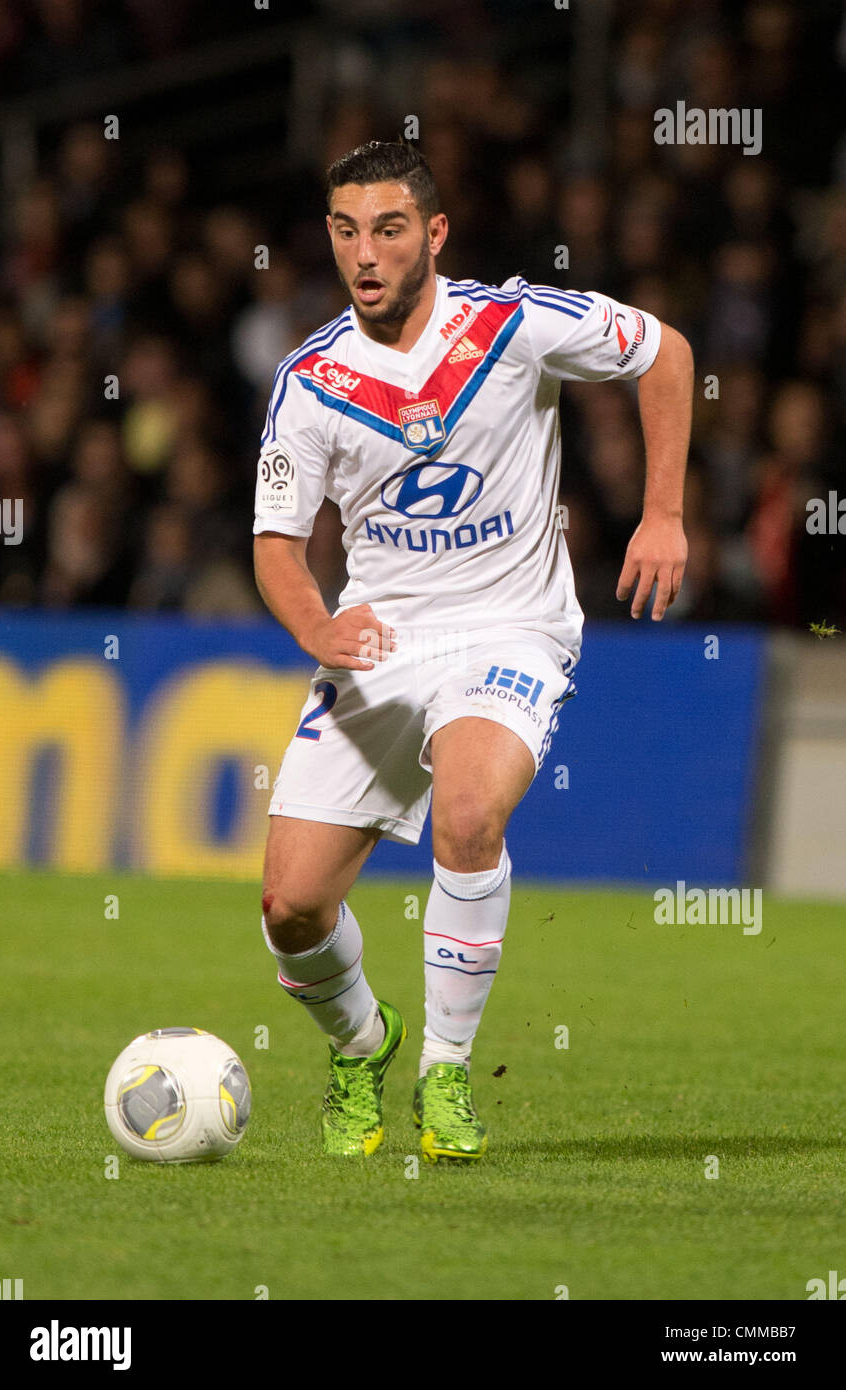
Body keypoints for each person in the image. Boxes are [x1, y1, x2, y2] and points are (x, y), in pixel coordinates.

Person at [253, 140, 692, 1161]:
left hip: (509, 627)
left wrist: (662, 513)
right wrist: (318, 628)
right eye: (345, 230)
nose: (365, 253)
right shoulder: (309, 378)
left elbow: (664, 352)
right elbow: (276, 547)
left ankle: (443, 1076)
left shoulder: (512, 323)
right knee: (290, 906)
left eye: (389, 228)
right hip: (376, 640)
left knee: (467, 812)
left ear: (434, 234)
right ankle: (362, 1041)